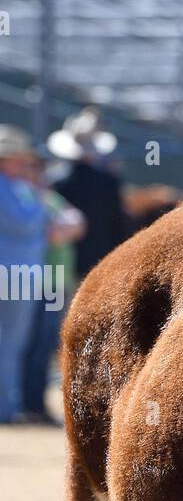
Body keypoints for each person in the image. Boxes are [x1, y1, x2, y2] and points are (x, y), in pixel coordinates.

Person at [21, 150, 85, 424]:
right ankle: (29, 402)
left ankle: (35, 403)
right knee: (33, 345)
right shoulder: (27, 199)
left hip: (55, 282)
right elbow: (56, 233)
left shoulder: (46, 198)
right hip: (39, 283)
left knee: (45, 345)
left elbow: (78, 223)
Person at [0, 126, 48, 424]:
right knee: (11, 341)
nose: (23, 164)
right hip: (13, 274)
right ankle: (6, 405)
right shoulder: (12, 190)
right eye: (17, 158)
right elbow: (26, 224)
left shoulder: (18, 189)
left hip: (18, 273)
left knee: (12, 341)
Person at [48, 108, 129, 279]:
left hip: (63, 264)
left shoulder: (56, 181)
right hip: (101, 262)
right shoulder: (109, 183)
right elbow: (118, 224)